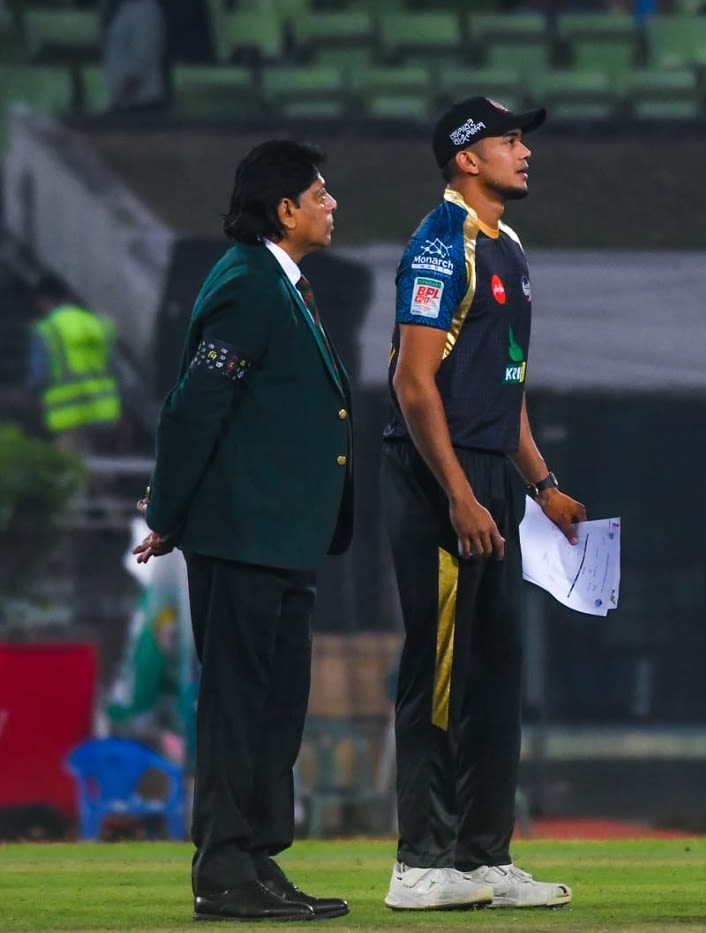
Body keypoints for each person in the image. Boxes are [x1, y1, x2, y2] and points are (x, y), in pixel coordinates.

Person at [132, 140, 354, 922]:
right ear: (284, 208)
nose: (332, 205)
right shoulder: (249, 284)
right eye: (320, 194)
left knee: (274, 706)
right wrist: (168, 512)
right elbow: (196, 404)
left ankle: (258, 860)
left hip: (280, 538)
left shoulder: (279, 285)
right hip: (243, 536)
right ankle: (222, 868)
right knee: (236, 705)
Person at [381, 96, 585, 912]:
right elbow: (411, 381)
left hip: (493, 472)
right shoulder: (441, 243)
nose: (522, 151)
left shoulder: (510, 246)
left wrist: (542, 482)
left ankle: (483, 855)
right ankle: (418, 862)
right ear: (466, 157)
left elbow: (508, 385)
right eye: (507, 140)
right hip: (440, 478)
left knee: (494, 670)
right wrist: (461, 494)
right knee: (437, 673)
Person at [27, 276, 122, 460]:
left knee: (71, 474)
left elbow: (38, 378)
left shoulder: (47, 330)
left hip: (68, 416)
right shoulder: (95, 324)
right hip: (103, 414)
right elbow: (116, 371)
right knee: (102, 471)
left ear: (43, 300)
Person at [102, 0, 169, 113]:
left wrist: (125, 93)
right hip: (126, 101)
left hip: (143, 102)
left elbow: (143, 57)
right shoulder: (125, 9)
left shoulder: (146, 11)